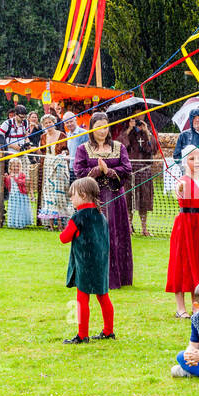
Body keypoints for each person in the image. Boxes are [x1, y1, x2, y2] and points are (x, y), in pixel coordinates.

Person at [73, 112, 134, 288]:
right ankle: (93, 276)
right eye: (99, 126)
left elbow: (127, 169)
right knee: (95, 235)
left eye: (105, 126)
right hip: (93, 200)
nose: (102, 130)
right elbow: (79, 172)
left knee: (114, 233)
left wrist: (109, 171)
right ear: (92, 128)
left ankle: (117, 278)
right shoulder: (83, 149)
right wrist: (97, 171)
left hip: (115, 198)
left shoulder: (119, 147)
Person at [59, 176, 116, 344]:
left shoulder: (78, 217)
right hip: (101, 263)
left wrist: (66, 227)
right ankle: (108, 331)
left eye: (73, 195)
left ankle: (82, 335)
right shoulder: (101, 216)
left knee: (82, 298)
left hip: (85, 263)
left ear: (83, 195)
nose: (71, 198)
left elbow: (64, 238)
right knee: (103, 296)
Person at [166, 145, 199, 317]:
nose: (196, 162)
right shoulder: (181, 181)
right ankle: (180, 308)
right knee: (181, 265)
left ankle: (197, 305)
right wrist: (181, 189)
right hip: (185, 227)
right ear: (185, 162)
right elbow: (180, 192)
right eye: (192, 158)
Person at [123, 116, 159, 236]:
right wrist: (129, 129)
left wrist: (147, 132)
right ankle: (128, 227)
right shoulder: (127, 131)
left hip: (144, 171)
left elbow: (154, 149)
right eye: (135, 117)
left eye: (140, 116)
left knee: (144, 200)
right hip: (130, 171)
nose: (138, 119)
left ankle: (144, 228)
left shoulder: (149, 131)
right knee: (129, 199)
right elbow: (120, 145)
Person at [38, 116, 72, 231]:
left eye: (50, 122)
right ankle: (51, 224)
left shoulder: (62, 135)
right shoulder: (43, 137)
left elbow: (66, 150)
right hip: (47, 165)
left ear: (54, 123)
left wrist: (63, 153)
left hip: (59, 165)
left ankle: (61, 223)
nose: (48, 124)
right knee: (49, 193)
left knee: (60, 193)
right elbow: (42, 152)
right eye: (46, 123)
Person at [5, 157, 33, 229]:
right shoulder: (9, 175)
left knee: (20, 209)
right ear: (10, 167)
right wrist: (6, 178)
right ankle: (13, 223)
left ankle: (20, 223)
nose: (16, 168)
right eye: (14, 166)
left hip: (21, 195)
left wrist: (16, 179)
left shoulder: (22, 174)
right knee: (13, 209)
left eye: (17, 166)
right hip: (13, 194)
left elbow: (24, 182)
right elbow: (7, 185)